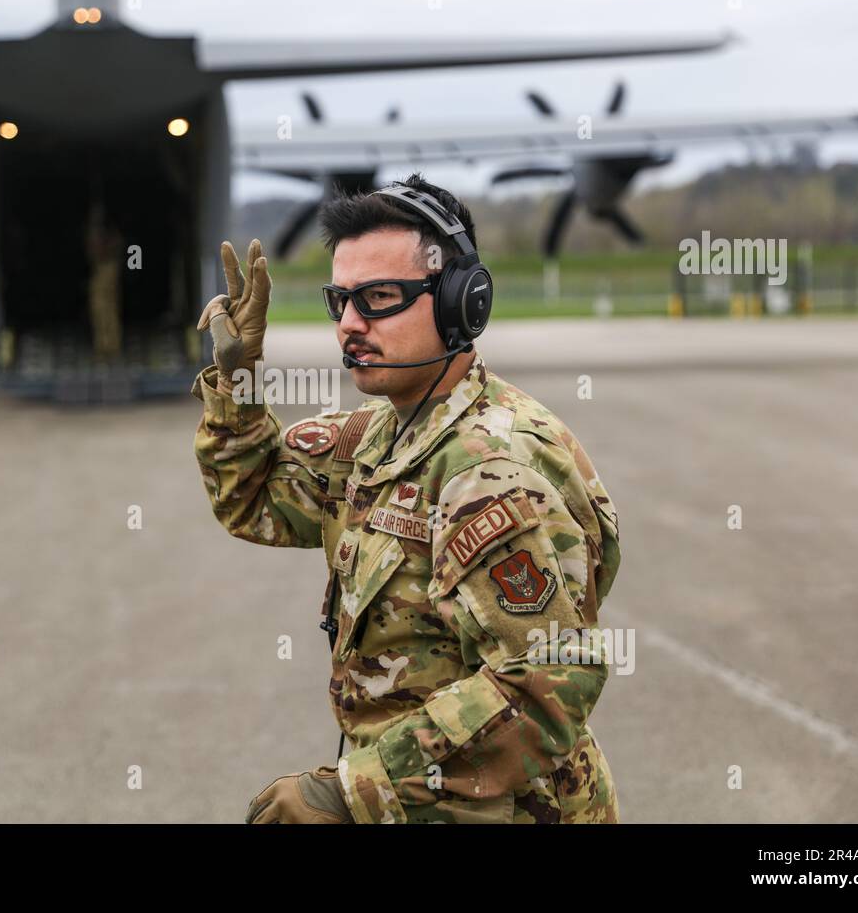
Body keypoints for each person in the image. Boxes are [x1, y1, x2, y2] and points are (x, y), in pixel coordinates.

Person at [194, 174, 622, 823]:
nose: (350, 325)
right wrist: (238, 378)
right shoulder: (380, 435)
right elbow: (255, 497)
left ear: (460, 303)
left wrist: (352, 791)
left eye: (379, 298)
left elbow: (546, 687)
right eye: (339, 300)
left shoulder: (492, 469)